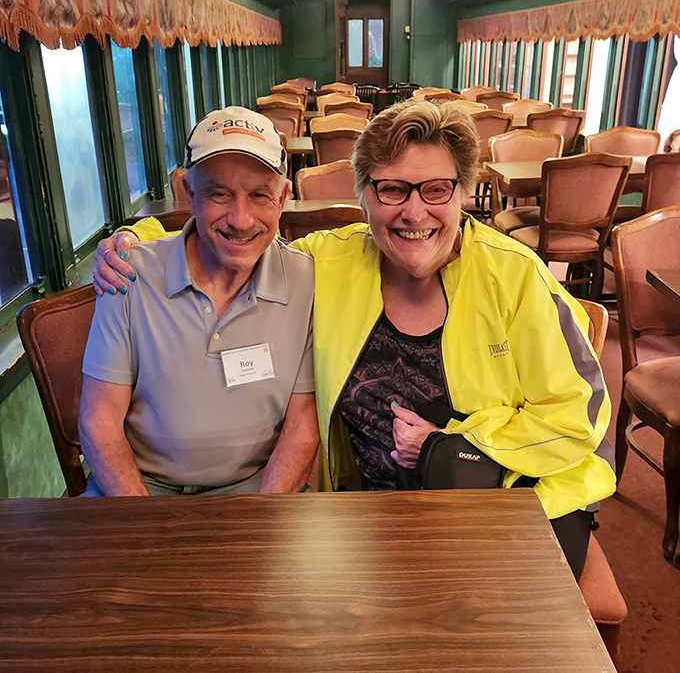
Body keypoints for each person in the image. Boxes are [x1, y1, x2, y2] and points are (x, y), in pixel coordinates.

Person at [95, 100, 615, 578]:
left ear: (464, 191)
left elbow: (583, 414)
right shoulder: (327, 261)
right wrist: (131, 242)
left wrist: (456, 445)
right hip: (364, 515)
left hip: (503, 503)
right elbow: (232, 235)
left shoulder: (517, 277)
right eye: (391, 189)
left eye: (436, 189)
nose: (414, 213)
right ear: (363, 195)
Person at [80, 107, 318, 497]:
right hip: (140, 490)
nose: (240, 220)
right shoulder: (127, 274)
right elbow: (98, 421)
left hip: (258, 489)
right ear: (189, 194)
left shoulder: (305, 278)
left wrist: (263, 522)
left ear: (283, 199)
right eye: (219, 193)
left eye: (259, 195)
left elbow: (301, 426)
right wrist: (146, 530)